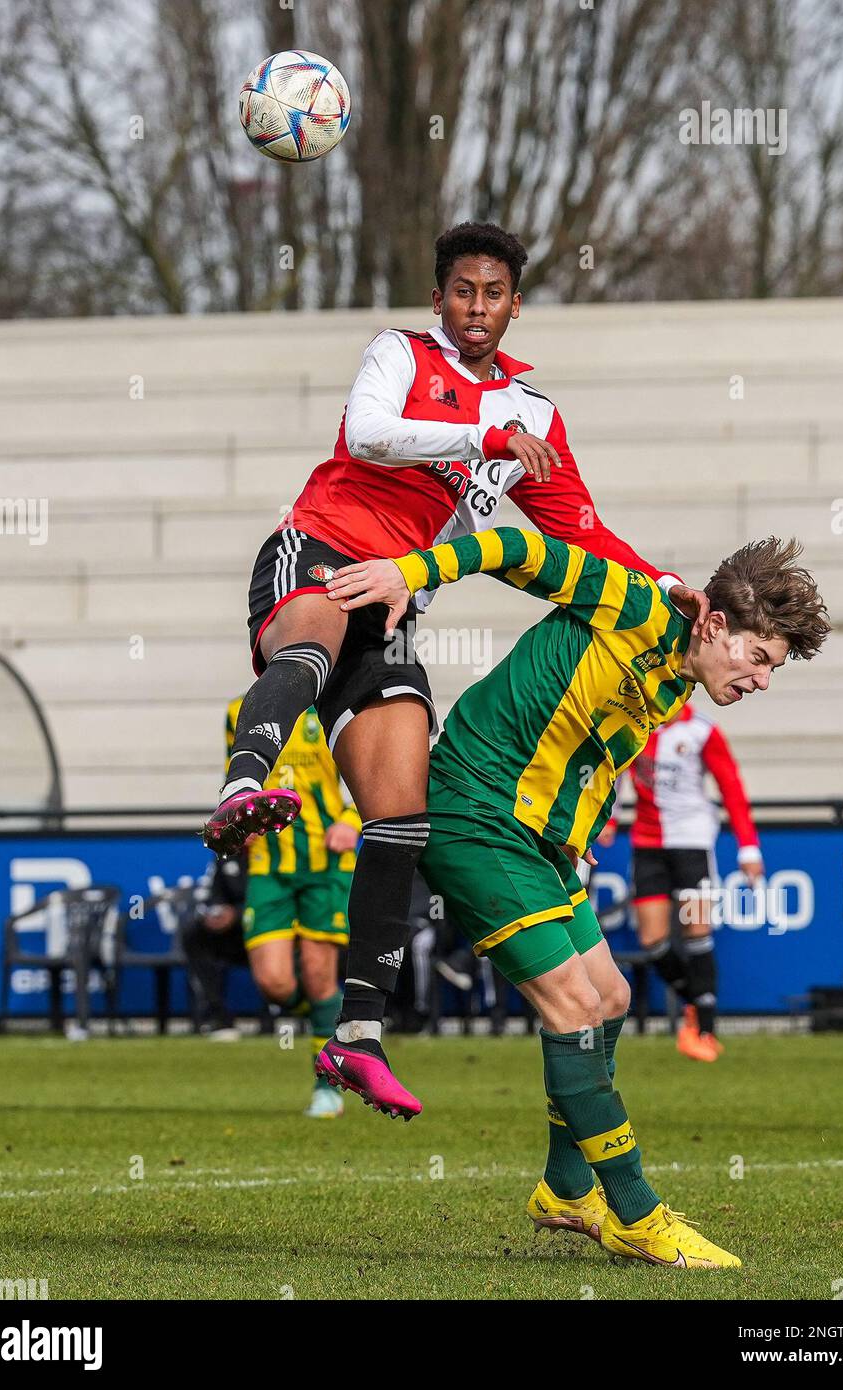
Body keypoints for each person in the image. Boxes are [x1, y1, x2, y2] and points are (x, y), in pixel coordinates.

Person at [202, 221, 710, 1116]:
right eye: (462, 290)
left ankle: (356, 1037)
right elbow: (367, 434)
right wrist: (487, 437)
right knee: (308, 646)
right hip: (321, 548)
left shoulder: (534, 414)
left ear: (515, 304)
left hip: (395, 606)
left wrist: (664, 581)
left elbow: (579, 530)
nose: (477, 307)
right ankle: (243, 790)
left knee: (402, 818)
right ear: (439, 298)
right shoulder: (399, 354)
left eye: (494, 293)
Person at [320, 526, 828, 1263]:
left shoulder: (675, 675)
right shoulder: (627, 602)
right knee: (575, 1006)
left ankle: (563, 1190)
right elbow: (518, 549)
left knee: (611, 998)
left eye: (772, 667)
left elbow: (583, 742)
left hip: (539, 840)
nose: (760, 680)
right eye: (757, 658)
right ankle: (635, 1211)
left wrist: (580, 823)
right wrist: (411, 572)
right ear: (714, 624)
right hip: (475, 814)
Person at [599, 708, 764, 1061]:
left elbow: (730, 785)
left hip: (692, 842)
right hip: (647, 845)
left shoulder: (702, 731)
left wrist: (748, 847)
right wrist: (607, 818)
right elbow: (615, 773)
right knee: (653, 940)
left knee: (696, 930)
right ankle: (697, 1003)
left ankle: (705, 1031)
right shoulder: (636, 723)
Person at [226, 697, 361, 1118]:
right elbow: (232, 778)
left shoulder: (337, 707)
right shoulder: (237, 712)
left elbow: (374, 776)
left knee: (320, 975)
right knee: (274, 983)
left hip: (326, 862)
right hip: (271, 866)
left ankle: (328, 1089)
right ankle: (331, 1015)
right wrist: (238, 823)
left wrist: (351, 821)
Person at [180, 853, 248, 1041]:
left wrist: (237, 914)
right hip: (236, 935)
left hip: (273, 931)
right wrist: (215, 914)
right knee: (195, 935)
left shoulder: (279, 853)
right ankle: (218, 1016)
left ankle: (281, 1019)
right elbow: (213, 895)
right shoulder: (227, 854)